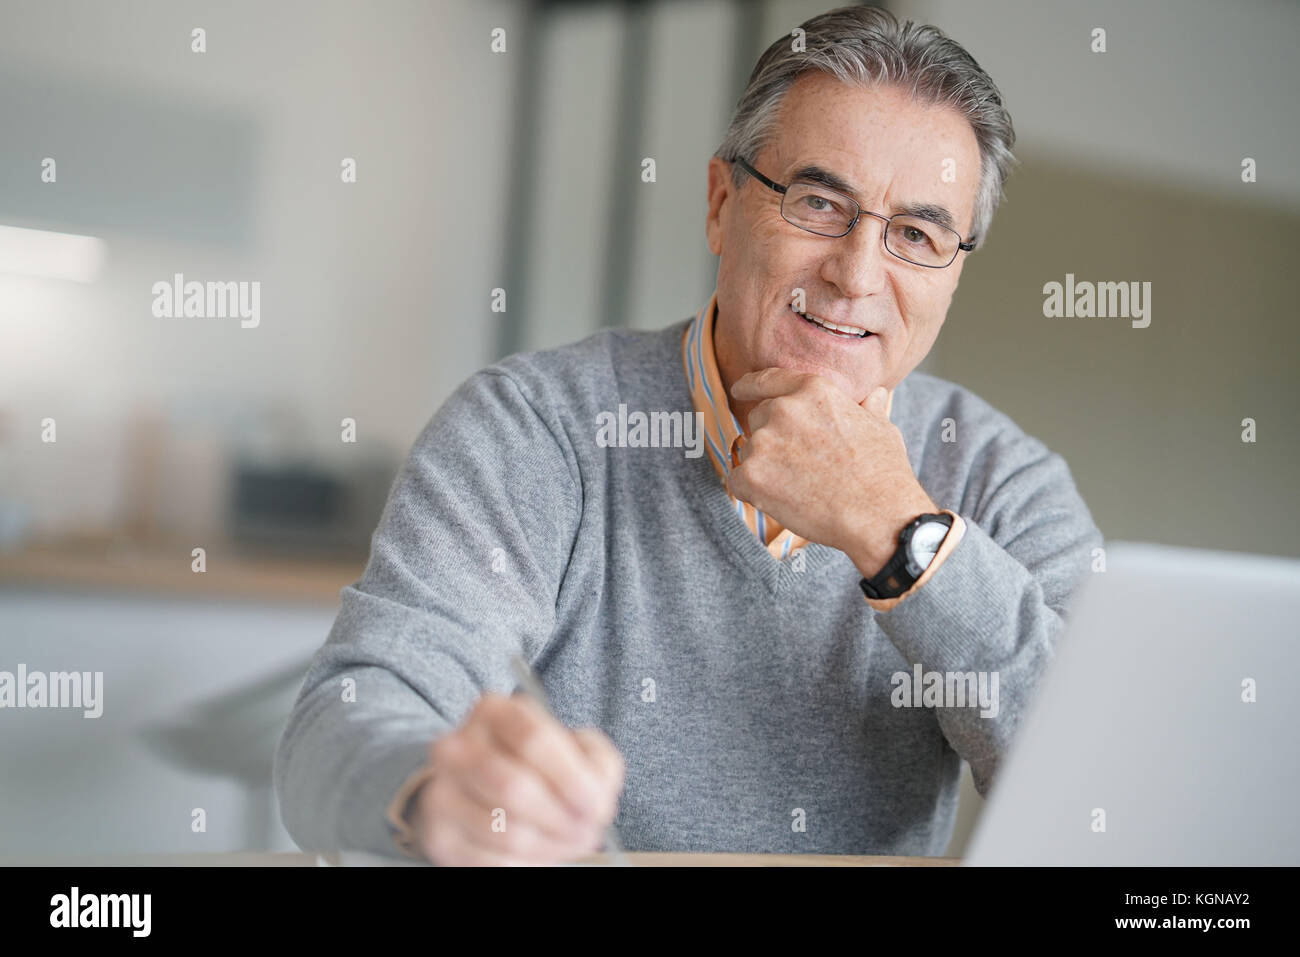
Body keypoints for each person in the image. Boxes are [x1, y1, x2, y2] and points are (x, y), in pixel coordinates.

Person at [275, 4, 1103, 865]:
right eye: (820, 203)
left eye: (916, 235)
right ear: (720, 203)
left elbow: (1098, 791)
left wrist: (900, 535)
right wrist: (428, 794)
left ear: (954, 270)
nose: (857, 274)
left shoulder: (1007, 480)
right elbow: (344, 721)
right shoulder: (532, 427)